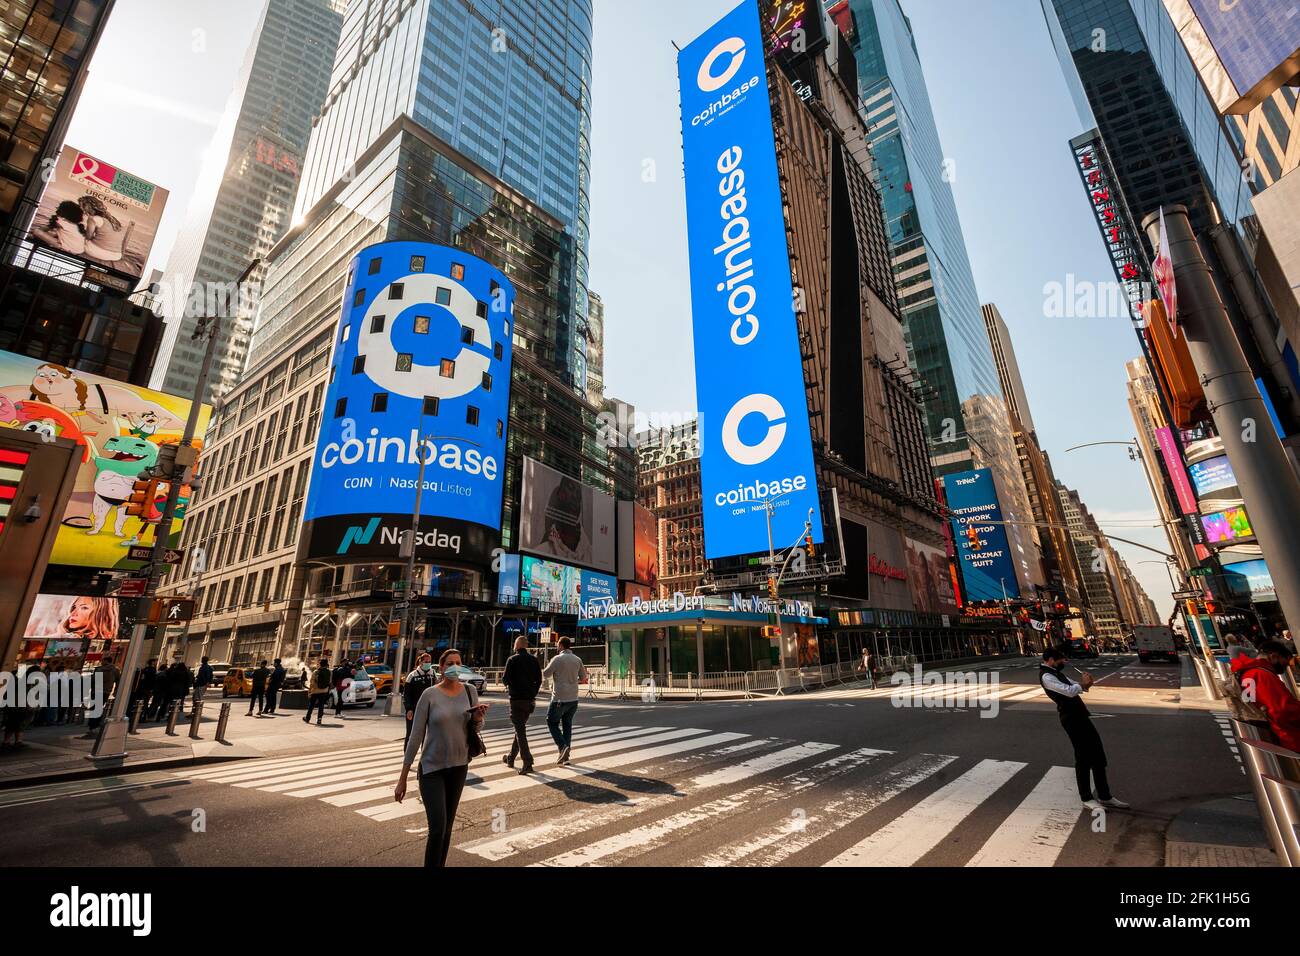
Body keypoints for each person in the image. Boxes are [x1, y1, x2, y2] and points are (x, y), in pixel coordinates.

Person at [393, 649, 488, 867]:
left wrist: (479, 717)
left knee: (446, 829)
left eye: (458, 662)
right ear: (441, 667)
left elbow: (476, 727)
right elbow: (415, 736)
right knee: (437, 829)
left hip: (459, 766)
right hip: (431, 769)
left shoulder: (470, 691)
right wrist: (403, 777)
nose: (454, 667)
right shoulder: (430, 695)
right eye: (450, 663)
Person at [1039, 647, 1128, 810]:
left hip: (1080, 716)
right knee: (1083, 757)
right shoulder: (1047, 676)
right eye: (1061, 660)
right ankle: (1086, 797)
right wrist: (1082, 685)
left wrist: (1086, 684)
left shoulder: (1056, 673)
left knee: (1098, 755)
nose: (1063, 662)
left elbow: (1074, 685)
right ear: (1051, 660)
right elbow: (1069, 691)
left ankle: (1105, 795)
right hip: (1070, 718)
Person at [1232, 640, 1300, 752]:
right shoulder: (1262, 675)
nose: (1285, 668)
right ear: (1274, 656)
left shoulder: (1248, 673)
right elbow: (1281, 710)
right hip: (1287, 736)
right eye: (1285, 663)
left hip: (1270, 733)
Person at [542, 637, 588, 766]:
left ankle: (562, 747)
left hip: (559, 698)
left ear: (561, 646)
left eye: (557, 645)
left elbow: (545, 674)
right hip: (573, 699)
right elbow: (583, 678)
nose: (556, 648)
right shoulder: (577, 659)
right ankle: (565, 757)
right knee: (567, 725)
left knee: (551, 722)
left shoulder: (557, 659)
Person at [502, 636, 542, 773]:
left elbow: (505, 679)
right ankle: (511, 758)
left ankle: (527, 762)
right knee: (520, 729)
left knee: (520, 731)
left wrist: (509, 686)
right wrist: (533, 693)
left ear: (517, 645)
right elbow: (539, 680)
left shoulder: (512, 659)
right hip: (530, 701)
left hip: (516, 700)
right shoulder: (534, 660)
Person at [402, 653, 437, 743]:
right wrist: (409, 708)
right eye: (426, 661)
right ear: (420, 662)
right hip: (414, 710)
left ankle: (425, 756)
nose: (428, 663)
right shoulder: (412, 675)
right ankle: (408, 756)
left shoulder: (432, 674)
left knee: (427, 737)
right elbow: (407, 694)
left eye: (429, 661)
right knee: (411, 734)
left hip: (429, 709)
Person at [304, 659, 331, 725]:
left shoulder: (316, 672)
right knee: (321, 705)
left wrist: (310, 691)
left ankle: (307, 718)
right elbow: (329, 681)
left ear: (320, 664)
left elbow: (312, 682)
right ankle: (319, 719)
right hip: (324, 691)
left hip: (315, 691)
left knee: (311, 705)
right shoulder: (329, 672)